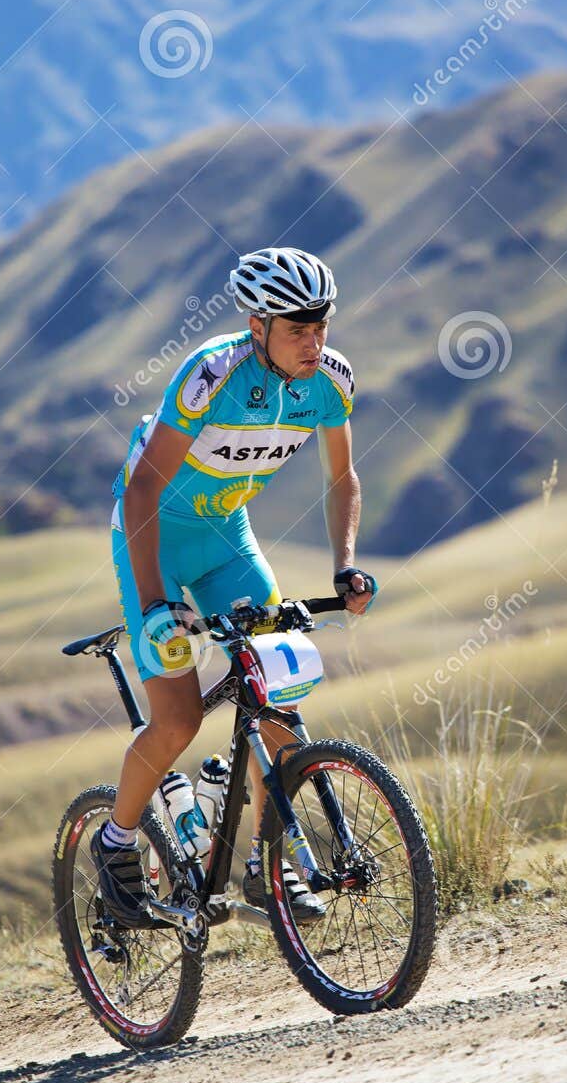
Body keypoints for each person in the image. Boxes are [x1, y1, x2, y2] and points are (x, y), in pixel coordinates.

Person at [93, 246, 377, 925]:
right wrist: (156, 603)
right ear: (258, 326)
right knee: (178, 721)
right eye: (296, 330)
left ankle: (269, 865)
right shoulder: (211, 373)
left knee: (276, 703)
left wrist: (344, 564)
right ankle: (116, 842)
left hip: (226, 539)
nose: (313, 344)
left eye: (320, 327)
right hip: (154, 537)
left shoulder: (330, 382)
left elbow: (342, 478)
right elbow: (142, 490)